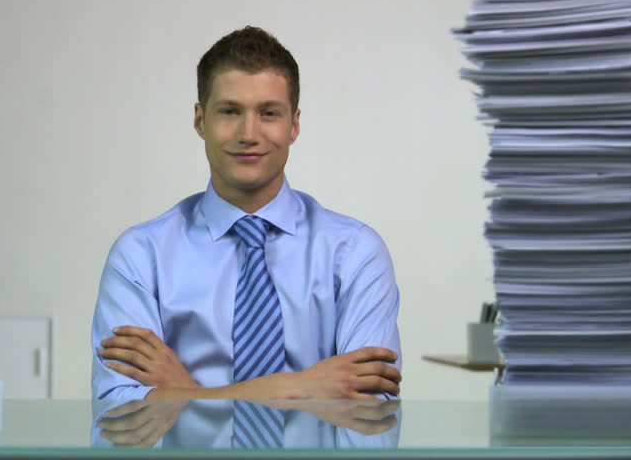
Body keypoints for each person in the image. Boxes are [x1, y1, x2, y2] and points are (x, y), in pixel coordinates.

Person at [91, 26, 401, 403]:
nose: (248, 133)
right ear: (200, 120)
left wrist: (184, 394)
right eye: (229, 112)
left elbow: (369, 412)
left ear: (294, 125)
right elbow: (122, 415)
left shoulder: (355, 253)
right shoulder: (142, 256)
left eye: (268, 113)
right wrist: (305, 387)